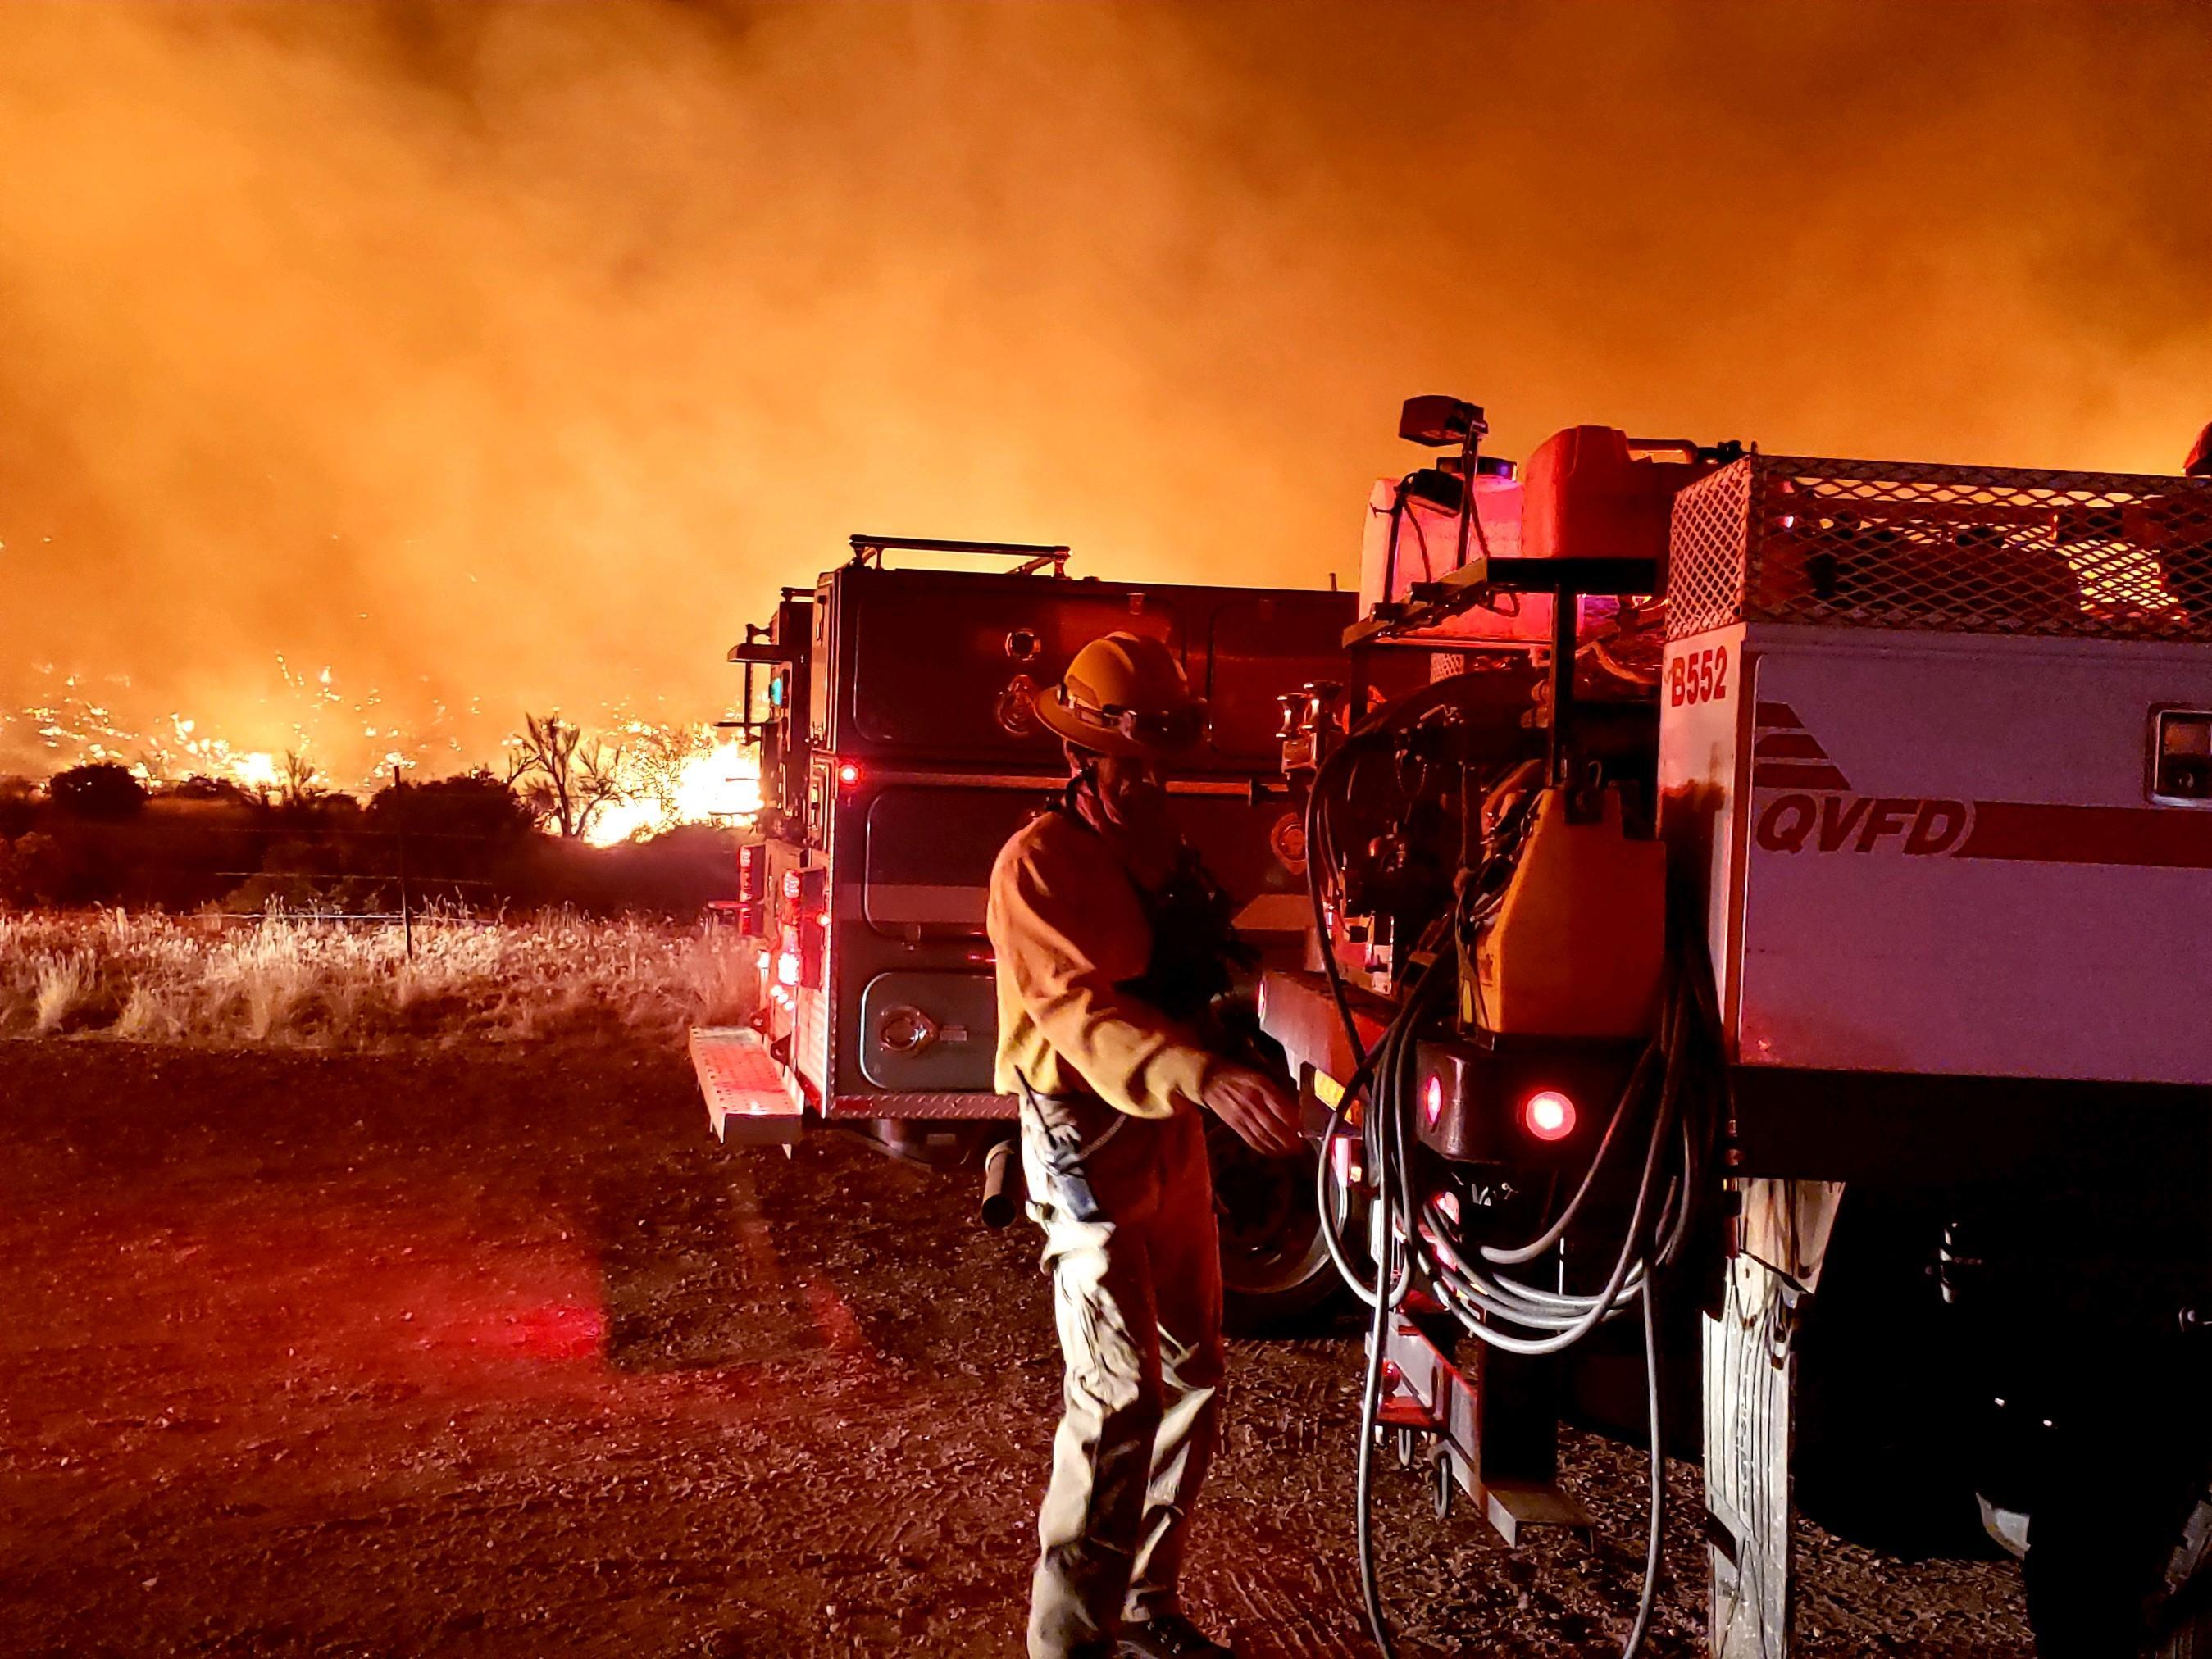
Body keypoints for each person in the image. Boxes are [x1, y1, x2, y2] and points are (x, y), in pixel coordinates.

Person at [986, 631, 1304, 1659]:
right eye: (1128, 760)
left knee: (1193, 1367)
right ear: (1078, 753)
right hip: (1081, 1133)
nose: (1148, 778)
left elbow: (1197, 964)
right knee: (1118, 1390)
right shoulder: (1037, 864)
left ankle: (1142, 1600)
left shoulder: (1162, 844)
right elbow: (1077, 1013)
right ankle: (1067, 1641)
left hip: (1165, 1128)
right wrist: (1202, 1075)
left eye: (1161, 758)